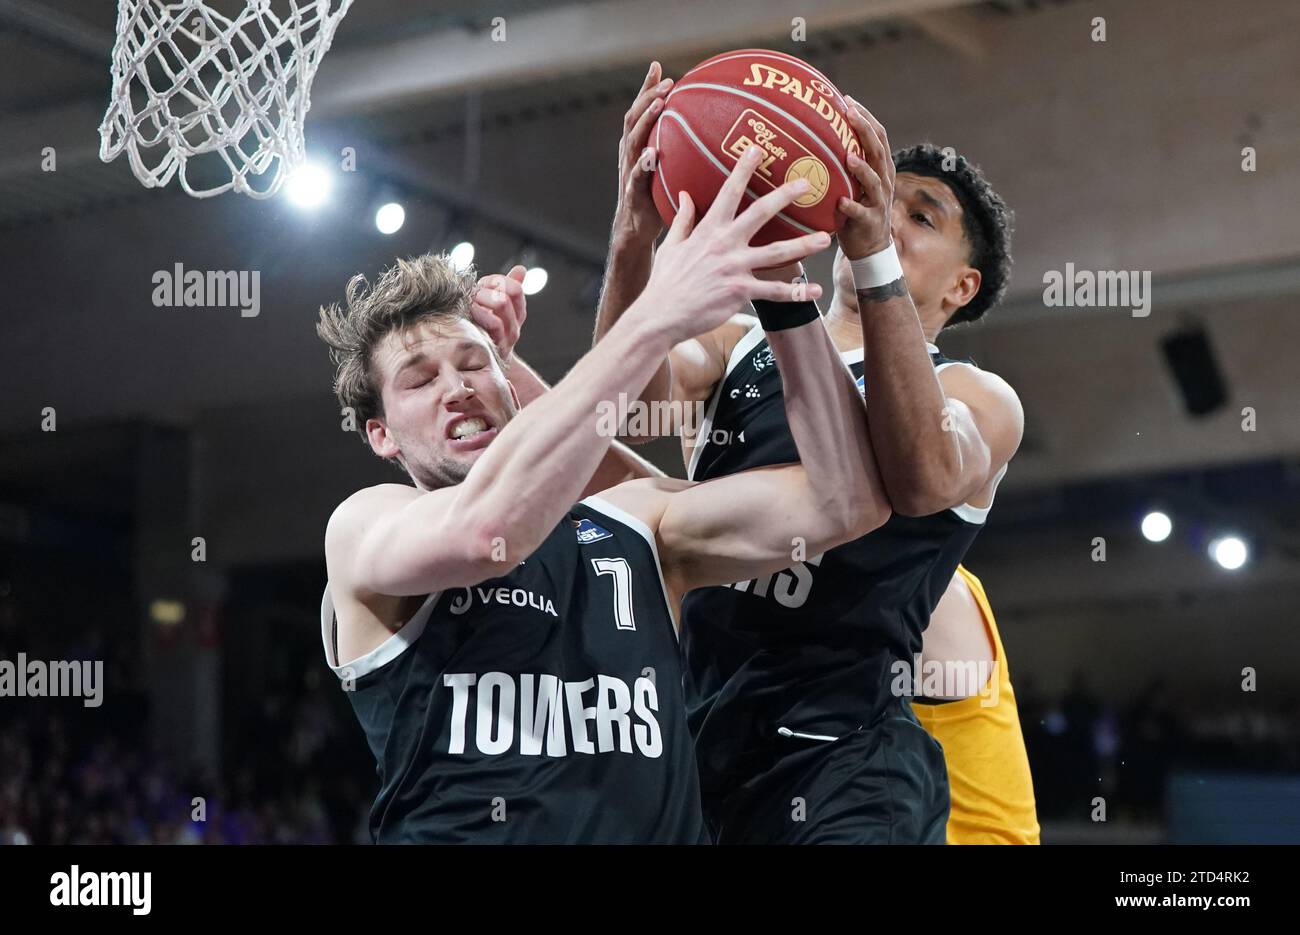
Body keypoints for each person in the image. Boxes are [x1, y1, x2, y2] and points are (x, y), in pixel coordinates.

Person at [314, 147, 890, 843]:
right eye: (420, 378)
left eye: (473, 363)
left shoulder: (636, 519)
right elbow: (486, 529)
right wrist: (657, 315)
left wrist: (782, 290)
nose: (457, 385)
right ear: (381, 435)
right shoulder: (366, 524)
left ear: (510, 383)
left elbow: (844, 502)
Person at [595, 67, 1021, 843]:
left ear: (963, 286)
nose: (887, 220)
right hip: (698, 745)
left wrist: (872, 261)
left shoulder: (977, 395)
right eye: (880, 201)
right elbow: (618, 403)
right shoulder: (739, 342)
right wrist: (634, 238)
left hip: (847, 758)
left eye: (919, 216)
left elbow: (923, 478)